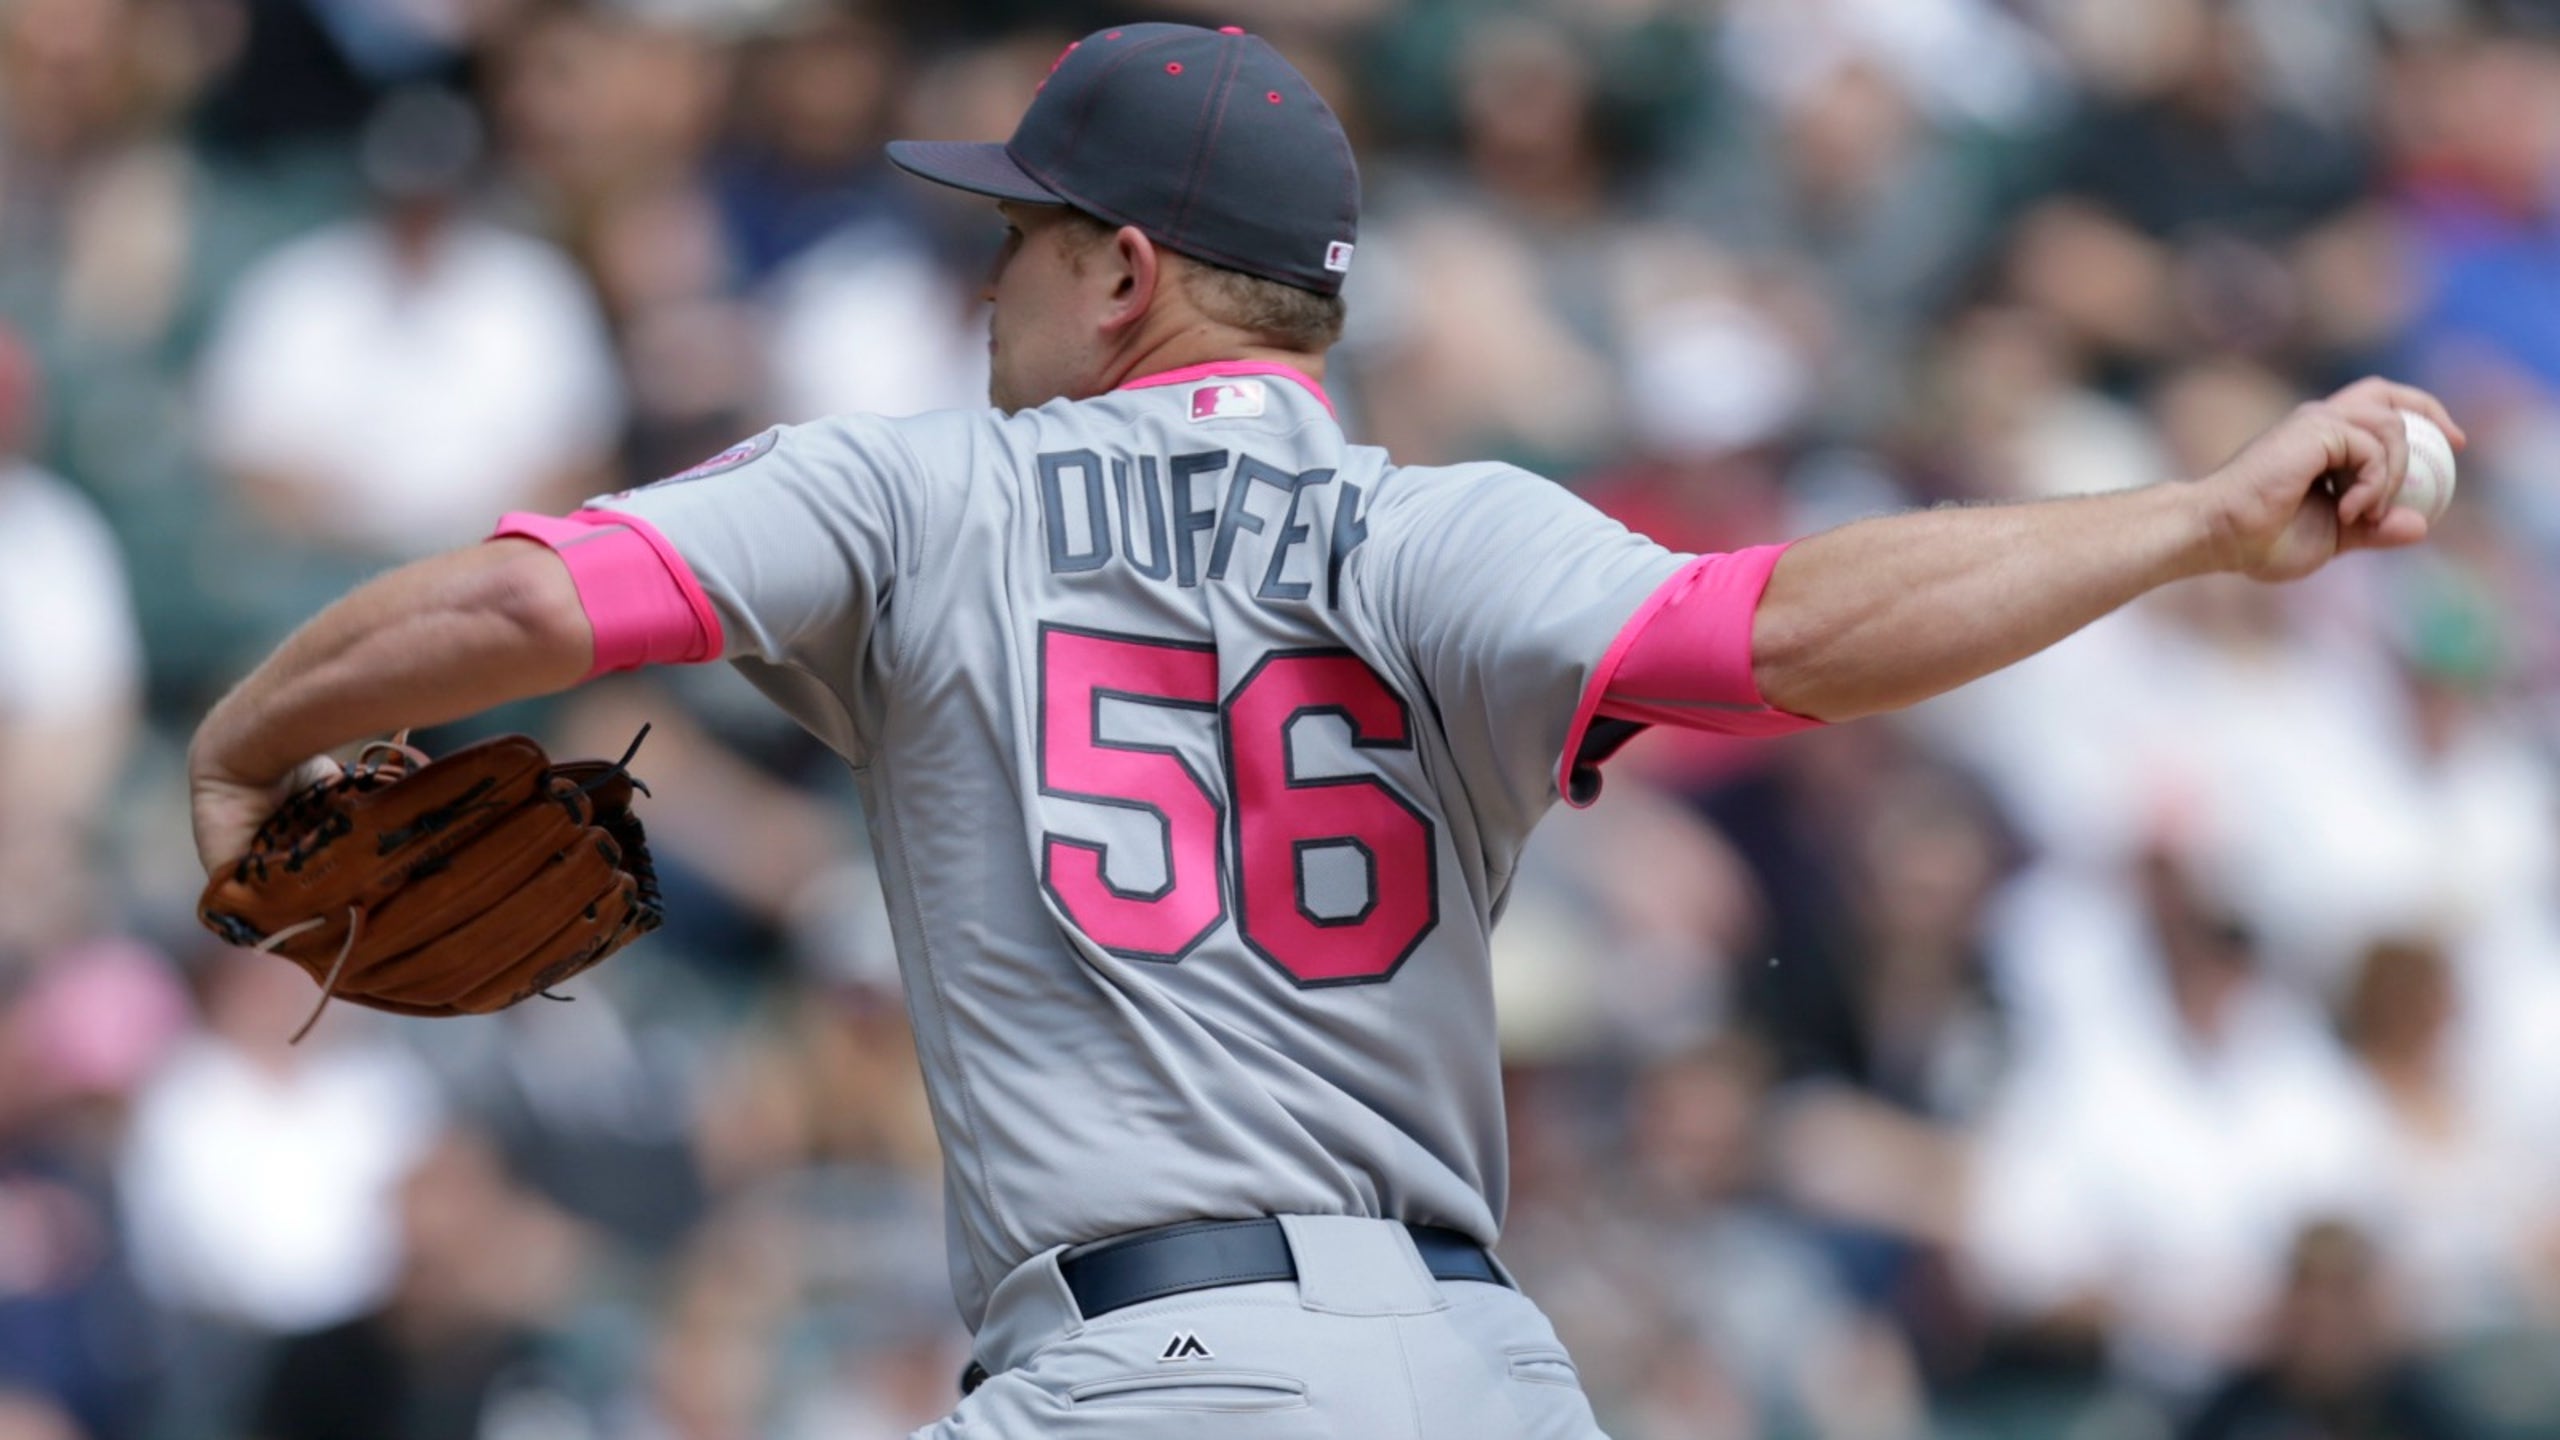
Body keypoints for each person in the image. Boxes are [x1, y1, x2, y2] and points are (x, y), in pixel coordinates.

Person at [184, 23, 2461, 1440]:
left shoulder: (908, 483)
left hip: (1141, 1371)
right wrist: (2181, 519)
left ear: (1123, 273)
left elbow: (518, 604)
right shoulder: (1437, 527)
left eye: (1020, 239)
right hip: (1478, 1375)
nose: (991, 280)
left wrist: (246, 734)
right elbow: (1770, 634)